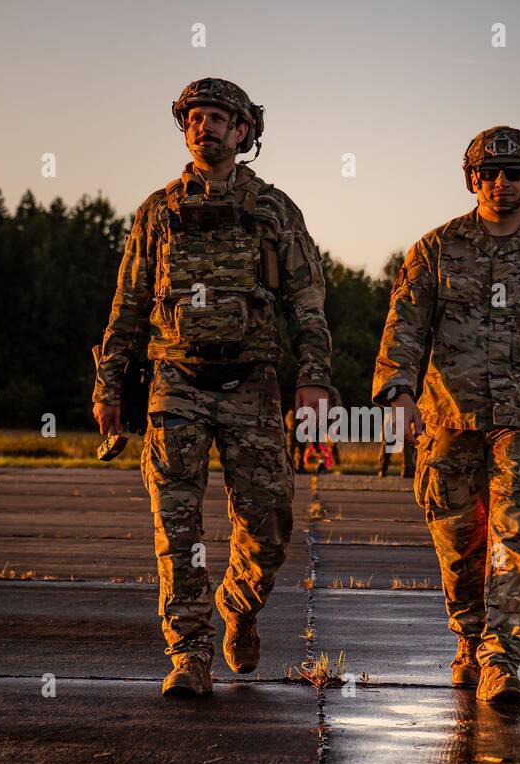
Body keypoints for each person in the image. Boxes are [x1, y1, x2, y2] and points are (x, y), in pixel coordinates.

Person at [93, 78, 332, 698]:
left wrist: (313, 379)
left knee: (270, 526)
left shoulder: (274, 210)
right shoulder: (157, 210)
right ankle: (189, 653)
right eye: (194, 117)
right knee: (177, 531)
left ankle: (239, 604)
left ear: (244, 130)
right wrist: (108, 385)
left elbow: (306, 301)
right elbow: (128, 303)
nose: (205, 127)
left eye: (219, 118)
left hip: (252, 384)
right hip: (175, 383)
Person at [372, 126, 520, 704]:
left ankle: (502, 659)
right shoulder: (435, 250)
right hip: (448, 420)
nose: (500, 183)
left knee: (517, 541)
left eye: (513, 173)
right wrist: (398, 393)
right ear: (471, 178)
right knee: (459, 543)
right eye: (489, 173)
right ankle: (469, 639)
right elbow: (404, 325)